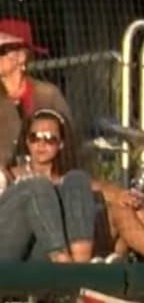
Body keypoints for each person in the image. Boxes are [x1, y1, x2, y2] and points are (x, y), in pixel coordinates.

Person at [0, 111, 93, 263]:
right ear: (27, 142)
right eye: (34, 137)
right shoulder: (7, 175)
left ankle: (81, 265)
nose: (41, 144)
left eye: (50, 139)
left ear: (61, 144)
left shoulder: (65, 182)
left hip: (34, 254)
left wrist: (116, 194)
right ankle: (65, 265)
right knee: (37, 187)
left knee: (77, 179)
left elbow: (99, 188)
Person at [0, 18, 71, 171]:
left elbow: (68, 141)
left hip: (44, 177)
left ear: (22, 57)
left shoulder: (48, 95)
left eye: (2, 51)